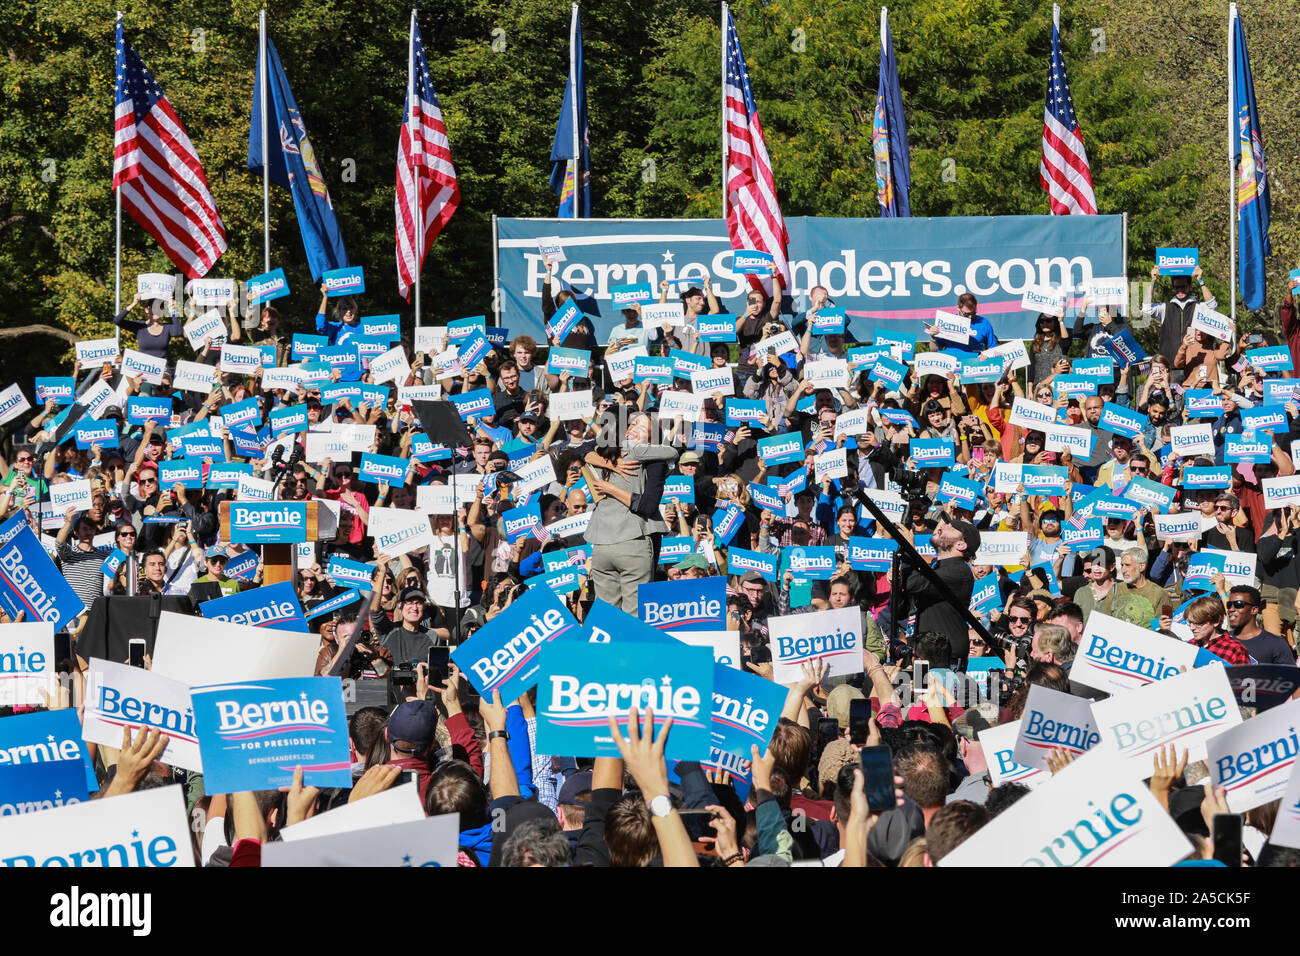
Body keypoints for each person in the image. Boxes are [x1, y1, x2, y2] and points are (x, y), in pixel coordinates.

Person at [582, 413, 677, 612]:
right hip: (632, 544)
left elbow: (580, 449)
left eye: (642, 428)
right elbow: (673, 452)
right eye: (633, 423)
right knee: (633, 618)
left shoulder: (604, 450)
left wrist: (610, 487)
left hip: (601, 546)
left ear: (652, 441)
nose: (633, 427)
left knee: (607, 617)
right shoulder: (624, 450)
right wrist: (612, 465)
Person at [1224, 586, 1294, 665]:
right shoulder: (1222, 640)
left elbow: (1290, 676)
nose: (1231, 609)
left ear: (1254, 610)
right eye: (1229, 605)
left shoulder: (1276, 644)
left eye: (1238, 604)